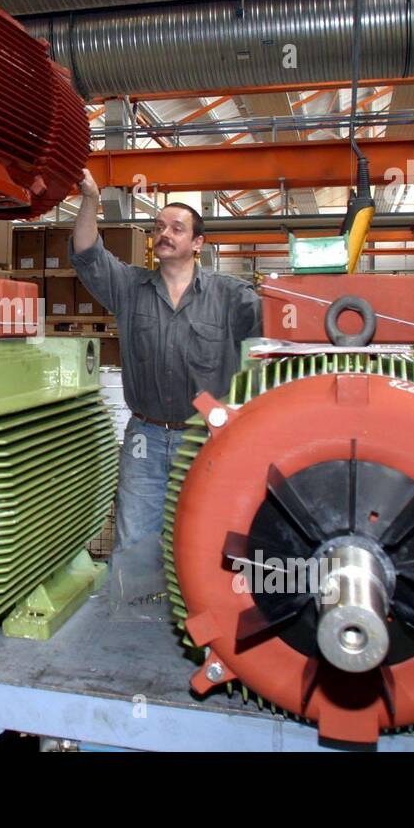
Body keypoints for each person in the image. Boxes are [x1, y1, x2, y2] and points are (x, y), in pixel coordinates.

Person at [70, 168, 260, 557]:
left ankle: (198, 613)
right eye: (159, 227)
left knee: (208, 535)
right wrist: (90, 198)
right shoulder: (130, 288)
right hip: (146, 435)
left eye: (176, 228)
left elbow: (273, 345)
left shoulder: (231, 297)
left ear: (197, 243)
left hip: (206, 435)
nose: (165, 234)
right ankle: (136, 614)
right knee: (135, 537)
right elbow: (88, 255)